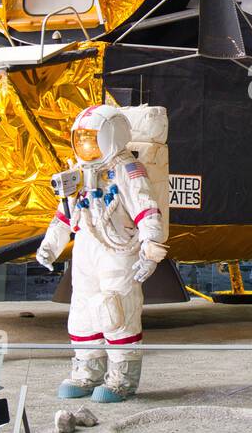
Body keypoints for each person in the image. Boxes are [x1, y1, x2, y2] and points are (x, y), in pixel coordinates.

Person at [36, 105, 167, 403]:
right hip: (86, 249)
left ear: (111, 137)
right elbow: (65, 215)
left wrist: (151, 250)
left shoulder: (127, 170)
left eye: (91, 138)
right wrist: (50, 246)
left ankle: (122, 379)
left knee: (117, 311)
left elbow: (147, 210)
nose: (85, 145)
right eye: (81, 138)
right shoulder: (79, 173)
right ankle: (86, 372)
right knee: (82, 312)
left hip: (118, 249)